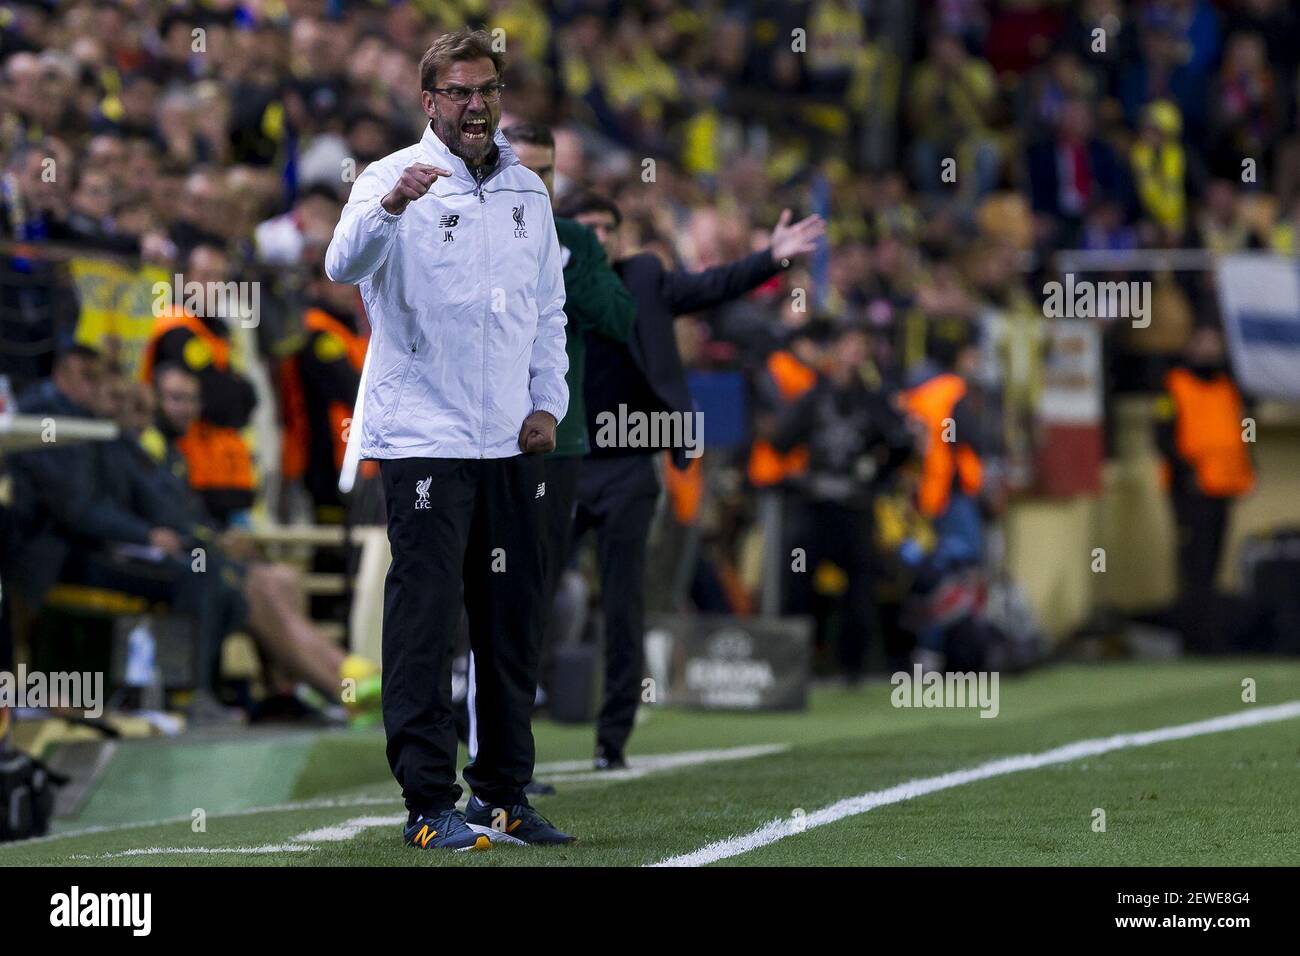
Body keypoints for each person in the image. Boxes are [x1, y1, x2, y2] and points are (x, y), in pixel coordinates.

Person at [325, 28, 572, 850]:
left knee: (510, 621)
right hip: (423, 439)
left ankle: (501, 793)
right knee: (426, 622)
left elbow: (548, 312)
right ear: (429, 101)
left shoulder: (529, 190)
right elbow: (340, 263)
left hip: (509, 440)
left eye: (487, 90)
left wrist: (549, 403)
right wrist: (393, 206)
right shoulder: (389, 176)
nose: (476, 105)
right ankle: (427, 801)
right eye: (459, 92)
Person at [555, 190, 824, 769]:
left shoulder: (645, 277)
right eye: (586, 228)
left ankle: (613, 739)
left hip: (628, 460)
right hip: (562, 462)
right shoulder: (541, 280)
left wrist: (771, 258)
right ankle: (503, 726)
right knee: (531, 593)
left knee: (624, 601)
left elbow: (710, 288)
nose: (598, 238)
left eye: (608, 227)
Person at [772, 323, 914, 680]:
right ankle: (795, 663)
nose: (853, 355)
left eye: (859, 347)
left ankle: (852, 667)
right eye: (847, 346)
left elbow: (902, 442)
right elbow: (782, 439)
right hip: (816, 504)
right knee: (798, 578)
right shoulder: (815, 396)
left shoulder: (873, 398)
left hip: (855, 504)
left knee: (861, 586)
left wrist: (878, 471)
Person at [140, 243, 259, 528]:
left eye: (220, 278)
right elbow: (221, 401)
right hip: (191, 472)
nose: (214, 286)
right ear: (184, 279)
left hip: (225, 475)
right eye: (205, 277)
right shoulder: (177, 328)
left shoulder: (218, 331)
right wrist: (233, 392)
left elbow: (248, 399)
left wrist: (235, 394)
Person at [1155, 325, 1255, 651]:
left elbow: (1242, 430)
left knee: (1213, 563)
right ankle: (1194, 639)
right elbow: (1163, 436)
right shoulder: (1173, 385)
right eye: (1202, 342)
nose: (1209, 350)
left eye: (1215, 343)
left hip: (1224, 486)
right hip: (1190, 490)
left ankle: (1209, 635)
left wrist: (1247, 467)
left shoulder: (1229, 386)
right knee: (1193, 564)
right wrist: (1187, 473)